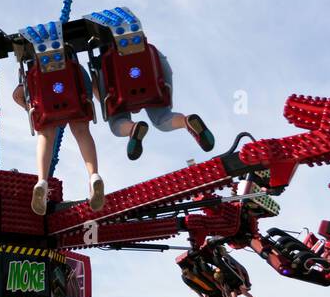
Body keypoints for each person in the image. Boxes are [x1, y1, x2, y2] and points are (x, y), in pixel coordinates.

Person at [12, 69, 106, 216]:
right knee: (82, 132)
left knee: (45, 135)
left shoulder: (33, 60)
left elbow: (17, 95)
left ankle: (42, 182)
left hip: (42, 81)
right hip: (74, 74)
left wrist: (28, 106)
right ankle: (94, 176)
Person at [103, 48, 215, 160]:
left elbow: (104, 99)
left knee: (117, 121)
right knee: (163, 116)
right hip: (153, 58)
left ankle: (132, 128)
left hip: (110, 67)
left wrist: (112, 105)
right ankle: (186, 121)